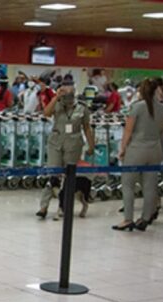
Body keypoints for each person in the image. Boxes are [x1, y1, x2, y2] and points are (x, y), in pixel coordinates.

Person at [113, 79, 163, 231]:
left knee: (128, 185)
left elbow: (128, 130)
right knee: (150, 186)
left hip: (136, 149)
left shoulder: (137, 107)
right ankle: (145, 218)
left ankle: (128, 219)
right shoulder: (162, 108)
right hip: (155, 150)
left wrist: (122, 149)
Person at [36, 80, 95, 219]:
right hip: (56, 142)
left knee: (68, 177)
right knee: (52, 174)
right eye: (64, 94)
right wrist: (56, 97)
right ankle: (43, 206)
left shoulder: (82, 108)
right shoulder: (57, 103)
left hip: (73, 144)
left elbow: (86, 127)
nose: (66, 98)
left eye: (69, 94)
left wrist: (91, 145)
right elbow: (46, 113)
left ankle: (63, 206)